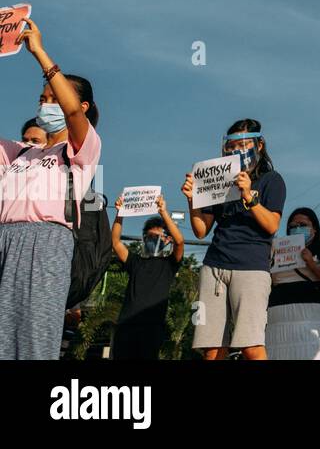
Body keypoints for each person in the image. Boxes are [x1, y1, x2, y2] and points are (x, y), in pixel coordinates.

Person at [0, 18, 102, 359]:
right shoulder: (18, 151)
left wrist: (40, 54)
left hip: (45, 243)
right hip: (4, 238)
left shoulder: (81, 152)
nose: (45, 104)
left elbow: (71, 109)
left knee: (32, 338)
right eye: (41, 98)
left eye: (52, 97)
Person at [183, 119, 286, 360]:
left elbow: (271, 225)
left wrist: (249, 196)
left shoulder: (272, 180)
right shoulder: (218, 180)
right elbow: (201, 230)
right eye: (232, 146)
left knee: (251, 346)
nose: (237, 150)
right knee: (213, 349)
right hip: (215, 265)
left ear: (259, 145)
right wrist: (192, 200)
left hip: (250, 267)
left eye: (244, 144)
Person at [110, 195, 185, 359]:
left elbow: (180, 242)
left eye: (158, 237)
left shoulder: (169, 264)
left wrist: (164, 213)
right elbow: (115, 242)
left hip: (152, 328)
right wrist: (120, 214)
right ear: (144, 238)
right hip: (126, 325)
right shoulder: (135, 262)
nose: (154, 240)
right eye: (150, 237)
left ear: (167, 239)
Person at [267, 207, 320, 360]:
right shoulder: (277, 250)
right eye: (293, 226)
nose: (297, 228)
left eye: (302, 224)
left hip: (311, 319)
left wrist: (312, 264)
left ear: (314, 228)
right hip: (277, 321)